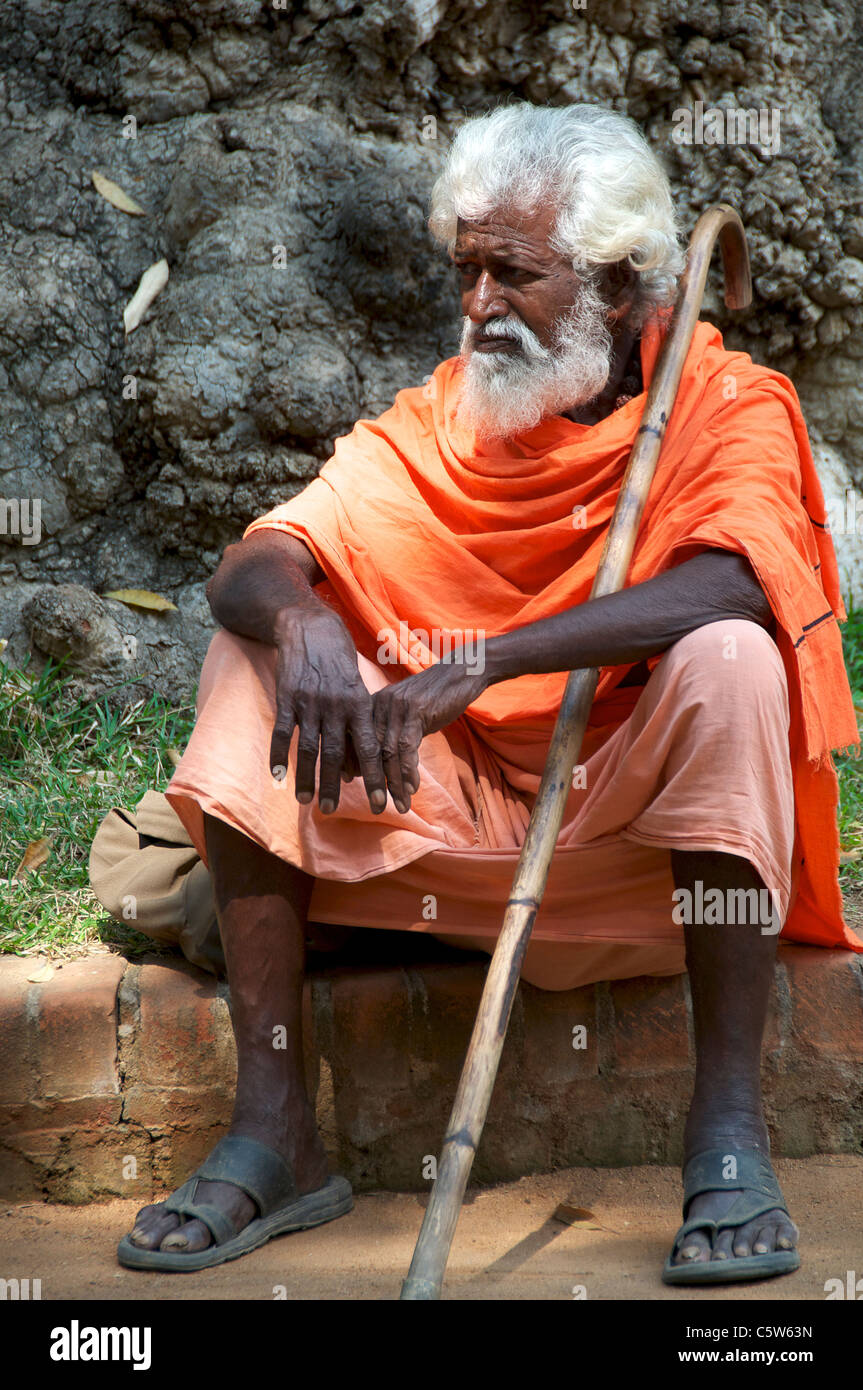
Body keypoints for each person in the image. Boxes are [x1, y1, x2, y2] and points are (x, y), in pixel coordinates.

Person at [114, 102, 861, 1285]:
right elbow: (255, 560)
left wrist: (486, 658)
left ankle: (726, 1129)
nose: (477, 304)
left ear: (616, 283)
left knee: (731, 657)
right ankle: (275, 1133)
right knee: (248, 654)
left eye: (511, 274)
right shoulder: (445, 414)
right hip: (440, 850)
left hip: (641, 862)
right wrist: (304, 620)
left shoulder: (729, 404)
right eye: (465, 271)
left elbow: (738, 580)